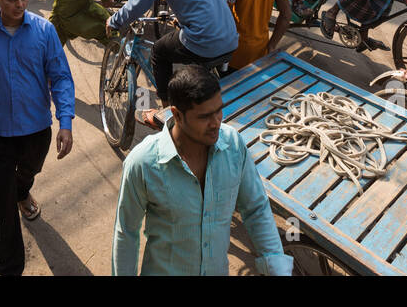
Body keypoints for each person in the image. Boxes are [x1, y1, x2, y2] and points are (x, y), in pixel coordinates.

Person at [113, 65, 293, 276]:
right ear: (177, 115)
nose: (216, 123)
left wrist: (278, 269)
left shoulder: (233, 146)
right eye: (205, 116)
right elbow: (126, 233)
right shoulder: (142, 163)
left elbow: (255, 208)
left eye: (219, 111)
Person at [0, 0, 75, 277]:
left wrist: (65, 121)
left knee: (27, 173)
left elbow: (61, 77)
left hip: (36, 128)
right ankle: (8, 268)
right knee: (0, 203)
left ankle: (23, 190)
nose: (20, 4)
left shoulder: (44, 31)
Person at [108, 0, 238, 131]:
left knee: (159, 51)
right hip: (230, 35)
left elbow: (137, 5)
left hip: (205, 39)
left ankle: (168, 116)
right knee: (179, 46)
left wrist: (114, 20)